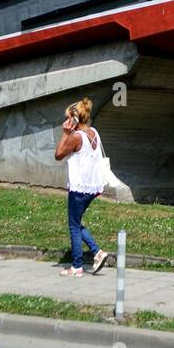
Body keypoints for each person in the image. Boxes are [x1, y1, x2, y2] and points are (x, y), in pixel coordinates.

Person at [54, 97, 109, 276]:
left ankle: (77, 266)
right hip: (92, 187)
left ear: (74, 119)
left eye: (68, 117)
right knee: (76, 222)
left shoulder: (76, 137)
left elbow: (58, 155)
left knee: (73, 225)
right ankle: (98, 253)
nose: (66, 121)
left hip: (79, 187)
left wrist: (65, 132)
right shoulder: (94, 132)